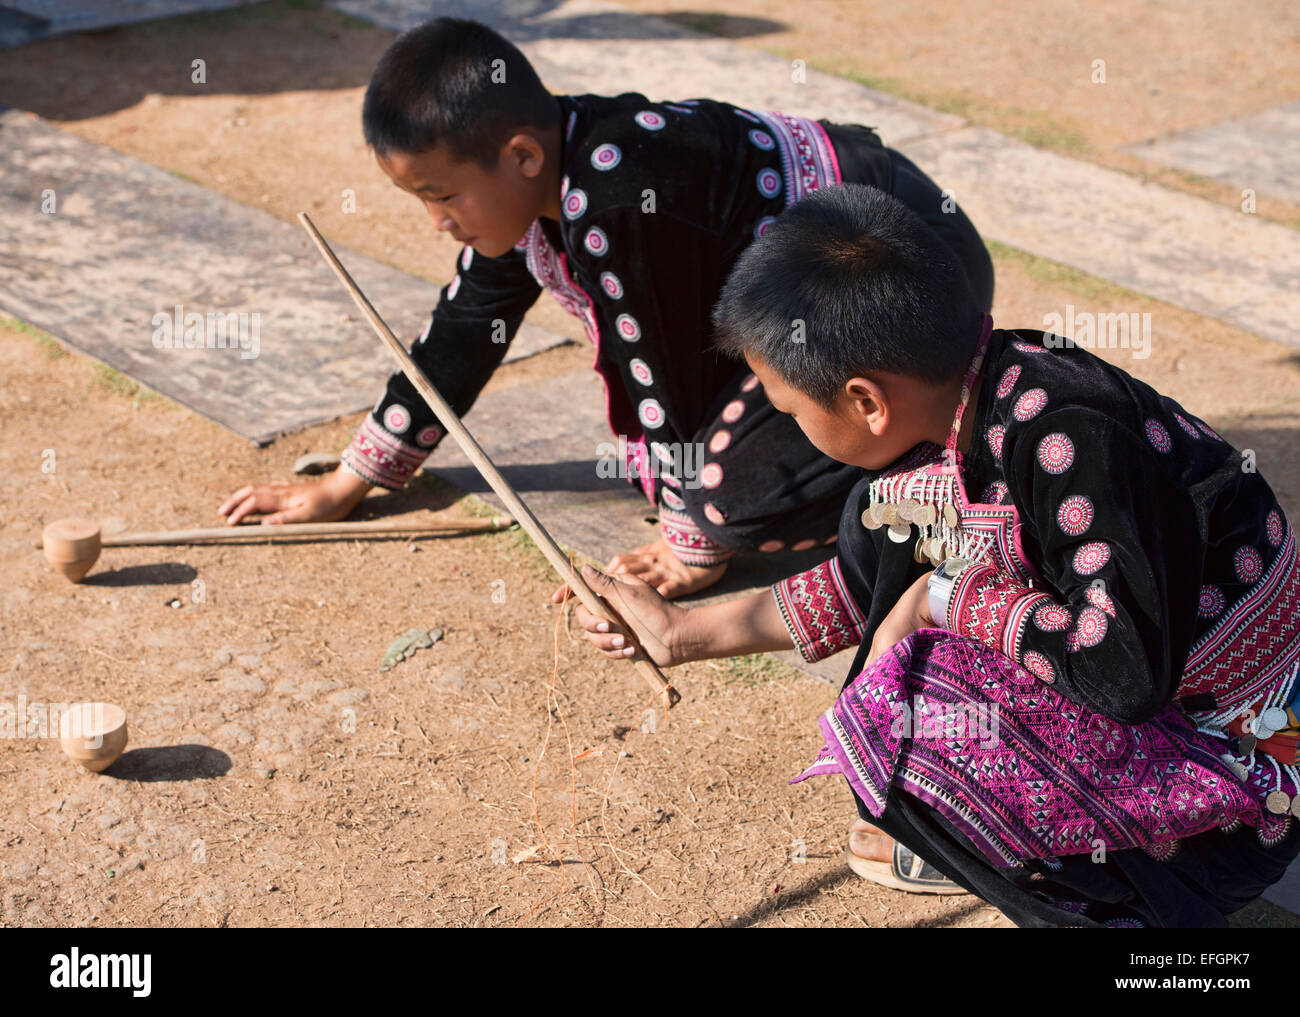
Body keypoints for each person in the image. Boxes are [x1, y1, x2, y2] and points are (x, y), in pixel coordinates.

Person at [559, 183, 1300, 927]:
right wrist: (678, 633)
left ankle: (1120, 904)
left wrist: (944, 598)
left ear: (865, 401)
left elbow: (1124, 672)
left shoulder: (1069, 437)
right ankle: (1024, 845)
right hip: (1173, 713)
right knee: (882, 524)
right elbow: (865, 580)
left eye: (790, 411)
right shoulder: (979, 390)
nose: (789, 429)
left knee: (905, 725)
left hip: (1240, 785)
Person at [218, 16, 993, 599]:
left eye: (443, 196)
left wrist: (697, 536)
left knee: (722, 493)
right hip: (817, 288)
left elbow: (670, 360)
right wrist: (352, 481)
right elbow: (462, 330)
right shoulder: (543, 173)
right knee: (695, 474)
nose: (438, 223)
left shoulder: (620, 197)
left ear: (521, 156)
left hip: (909, 262)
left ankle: (937, 439)